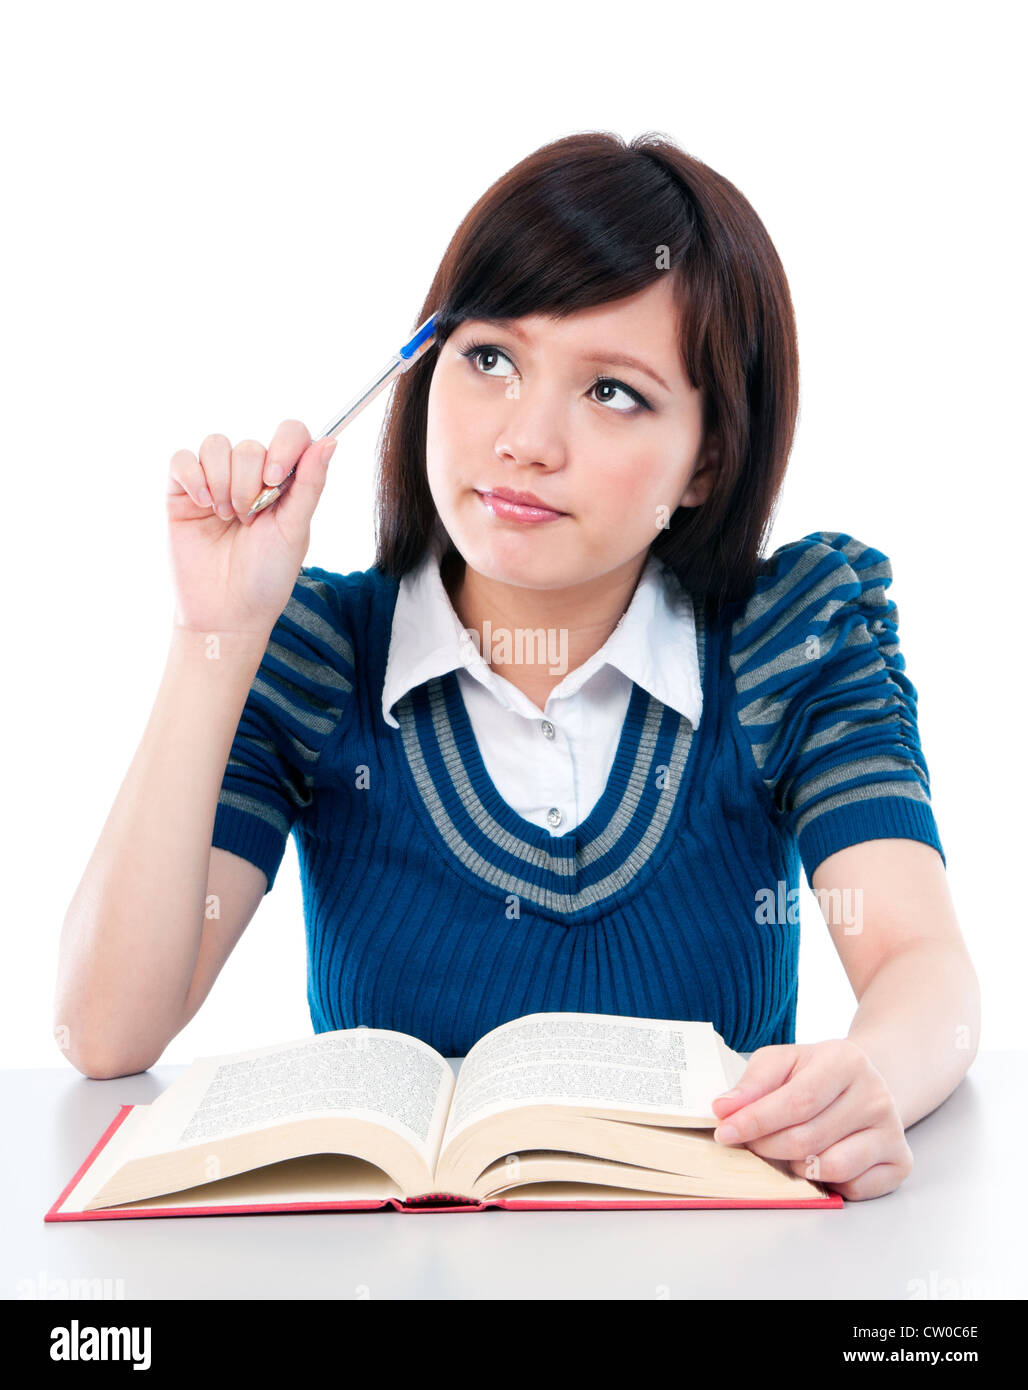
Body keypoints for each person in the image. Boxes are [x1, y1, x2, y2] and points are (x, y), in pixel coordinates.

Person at [56, 130, 980, 1201]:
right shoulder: (318, 652)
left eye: (611, 393)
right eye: (489, 359)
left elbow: (922, 965)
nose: (525, 439)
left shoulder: (790, 635)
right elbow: (104, 1030)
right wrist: (211, 635)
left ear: (705, 463)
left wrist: (868, 1075)